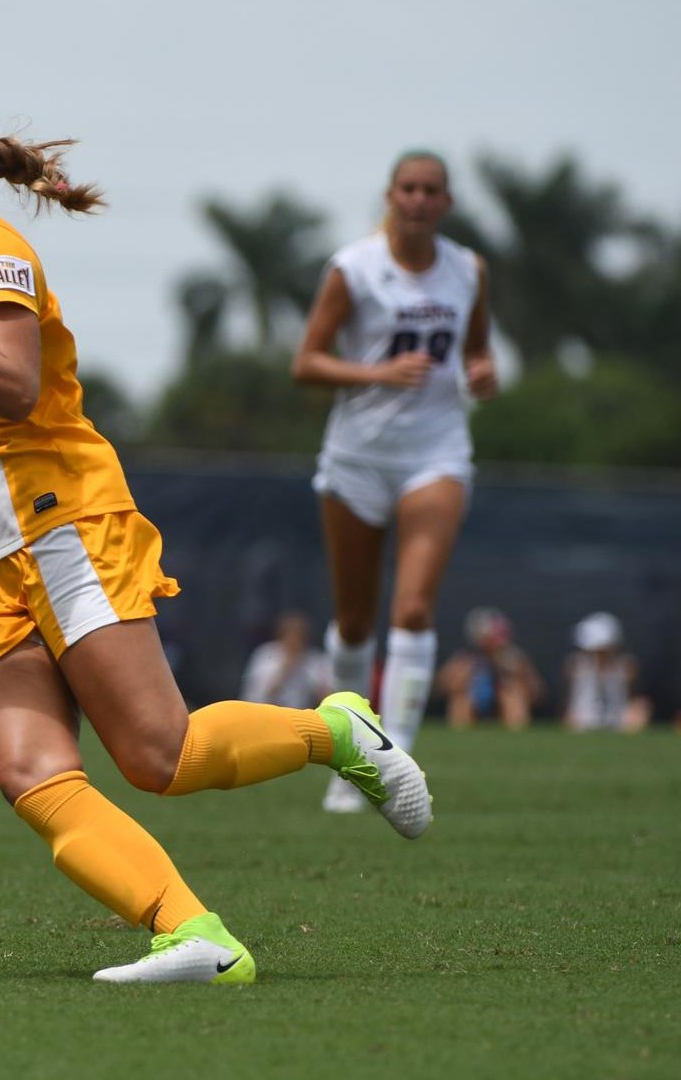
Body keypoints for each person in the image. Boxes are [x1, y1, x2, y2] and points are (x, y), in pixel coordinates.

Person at [0, 73, 431, 985]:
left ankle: (334, 731)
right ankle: (192, 934)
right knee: (28, 770)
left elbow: (15, 389)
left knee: (156, 756)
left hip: (59, 526)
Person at [292, 150, 499, 811]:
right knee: (355, 623)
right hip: (357, 460)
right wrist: (375, 375)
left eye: (430, 190)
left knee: (411, 608)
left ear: (447, 202)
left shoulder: (468, 270)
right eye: (407, 188)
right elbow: (307, 362)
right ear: (390, 196)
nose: (417, 199)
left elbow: (476, 351)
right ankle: (354, 752)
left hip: (435, 455)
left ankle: (393, 762)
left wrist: (484, 371)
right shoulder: (354, 269)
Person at [437, 606, 541, 729]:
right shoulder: (463, 659)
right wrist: (461, 678)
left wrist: (520, 676)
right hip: (473, 702)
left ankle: (516, 732)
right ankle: (461, 733)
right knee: (461, 699)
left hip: (501, 705)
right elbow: (440, 689)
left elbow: (537, 694)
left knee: (513, 694)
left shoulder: (514, 658)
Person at [563, 612, 650, 733]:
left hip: (617, 720)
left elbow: (632, 698)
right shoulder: (576, 665)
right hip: (583, 720)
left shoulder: (626, 666)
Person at [240, 611, 334, 710]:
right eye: (290, 634)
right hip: (269, 714)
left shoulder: (315, 660)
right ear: (281, 634)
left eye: (299, 636)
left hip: (302, 716)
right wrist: (286, 668)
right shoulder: (265, 654)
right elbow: (253, 697)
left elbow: (328, 698)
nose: (295, 640)